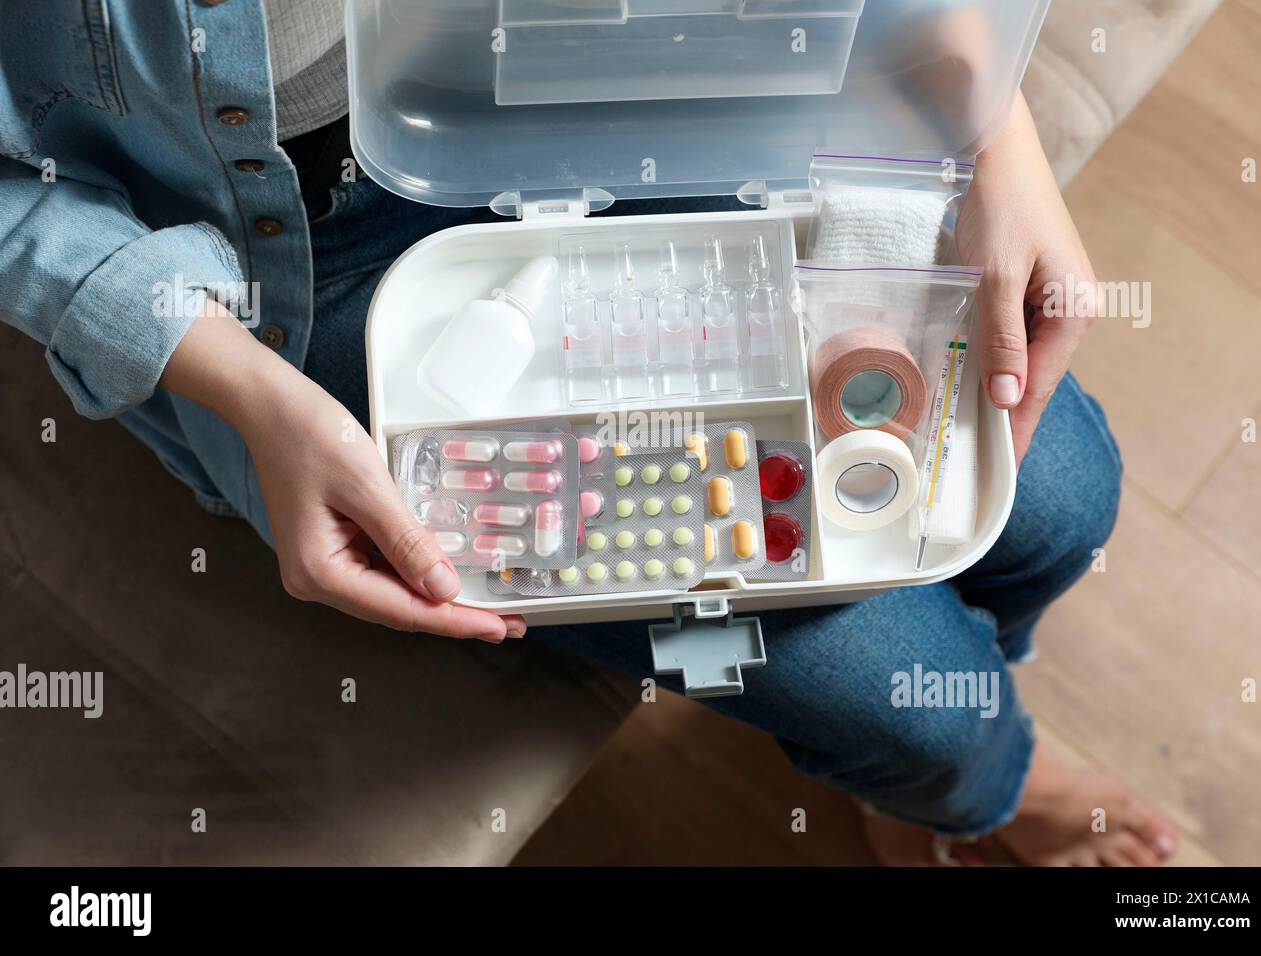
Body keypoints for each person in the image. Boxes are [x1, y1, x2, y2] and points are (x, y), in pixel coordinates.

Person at [0, 0, 1176, 865]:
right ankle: (968, 783)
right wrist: (250, 392)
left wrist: (988, 127)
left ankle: (975, 684)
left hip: (629, 70)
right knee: (906, 709)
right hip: (287, 256)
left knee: (1068, 494)